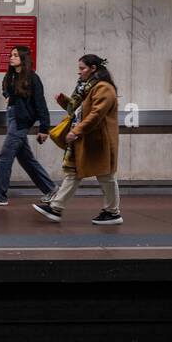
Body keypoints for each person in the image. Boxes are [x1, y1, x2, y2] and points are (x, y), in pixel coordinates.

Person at [32, 54, 122, 225]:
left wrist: (77, 131)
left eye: (82, 68)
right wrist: (63, 100)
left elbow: (96, 114)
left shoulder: (104, 88)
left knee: (106, 176)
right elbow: (78, 110)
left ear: (93, 68)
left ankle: (113, 212)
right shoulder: (87, 88)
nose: (79, 72)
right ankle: (56, 208)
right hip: (88, 141)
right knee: (74, 172)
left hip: (100, 142)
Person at [0, 45, 57, 206]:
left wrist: (45, 128)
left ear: (23, 58)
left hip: (21, 121)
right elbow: (6, 90)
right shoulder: (10, 76)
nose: (11, 57)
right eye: (11, 55)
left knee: (4, 156)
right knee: (26, 159)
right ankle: (51, 190)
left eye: (15, 55)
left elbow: (40, 103)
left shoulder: (32, 78)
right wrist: (8, 96)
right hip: (11, 117)